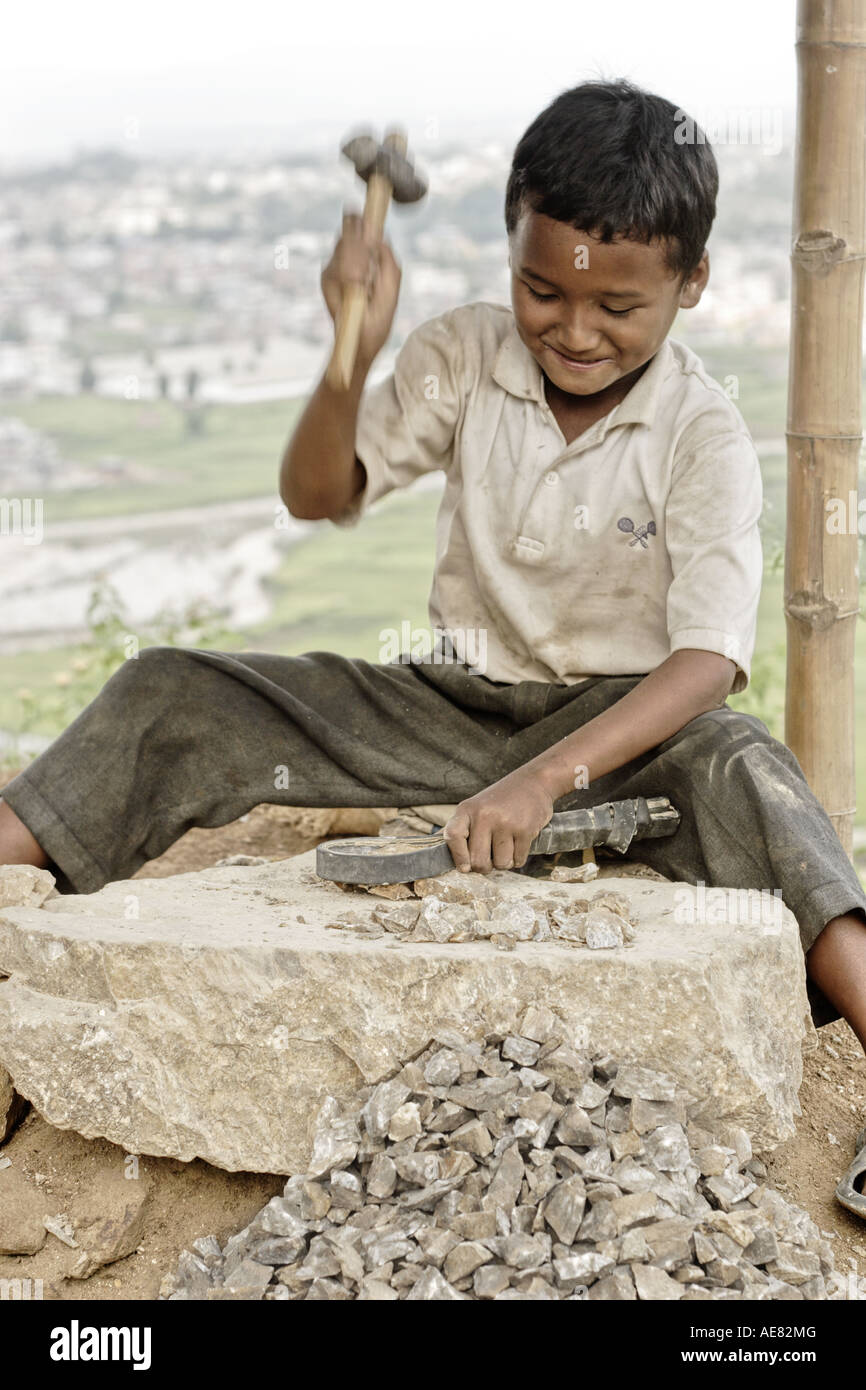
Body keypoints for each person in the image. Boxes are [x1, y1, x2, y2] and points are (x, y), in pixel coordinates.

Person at [1, 79, 864, 1216]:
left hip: (615, 734)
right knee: (173, 686)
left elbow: (705, 658)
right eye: (540, 289)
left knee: (746, 764)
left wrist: (542, 778)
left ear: (689, 285)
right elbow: (317, 493)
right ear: (507, 247)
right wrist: (348, 347)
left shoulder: (701, 430)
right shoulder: (465, 353)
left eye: (618, 309)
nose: (572, 328)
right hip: (446, 709)